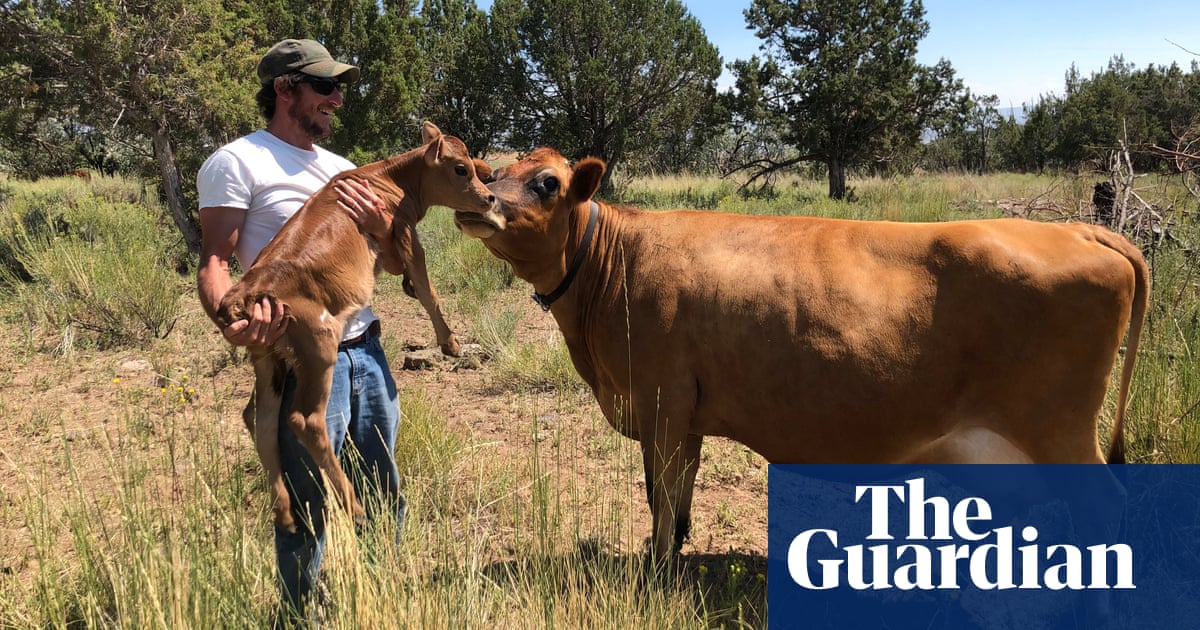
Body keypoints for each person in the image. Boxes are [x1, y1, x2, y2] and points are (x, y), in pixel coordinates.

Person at [195, 38, 406, 620]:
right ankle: (300, 615)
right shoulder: (238, 161)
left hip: (366, 347)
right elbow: (215, 259)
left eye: (339, 87)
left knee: (383, 487)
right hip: (304, 350)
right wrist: (231, 324)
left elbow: (385, 261)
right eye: (325, 87)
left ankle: (382, 600)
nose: (337, 98)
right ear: (285, 89)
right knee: (310, 501)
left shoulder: (342, 170)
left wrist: (382, 229)